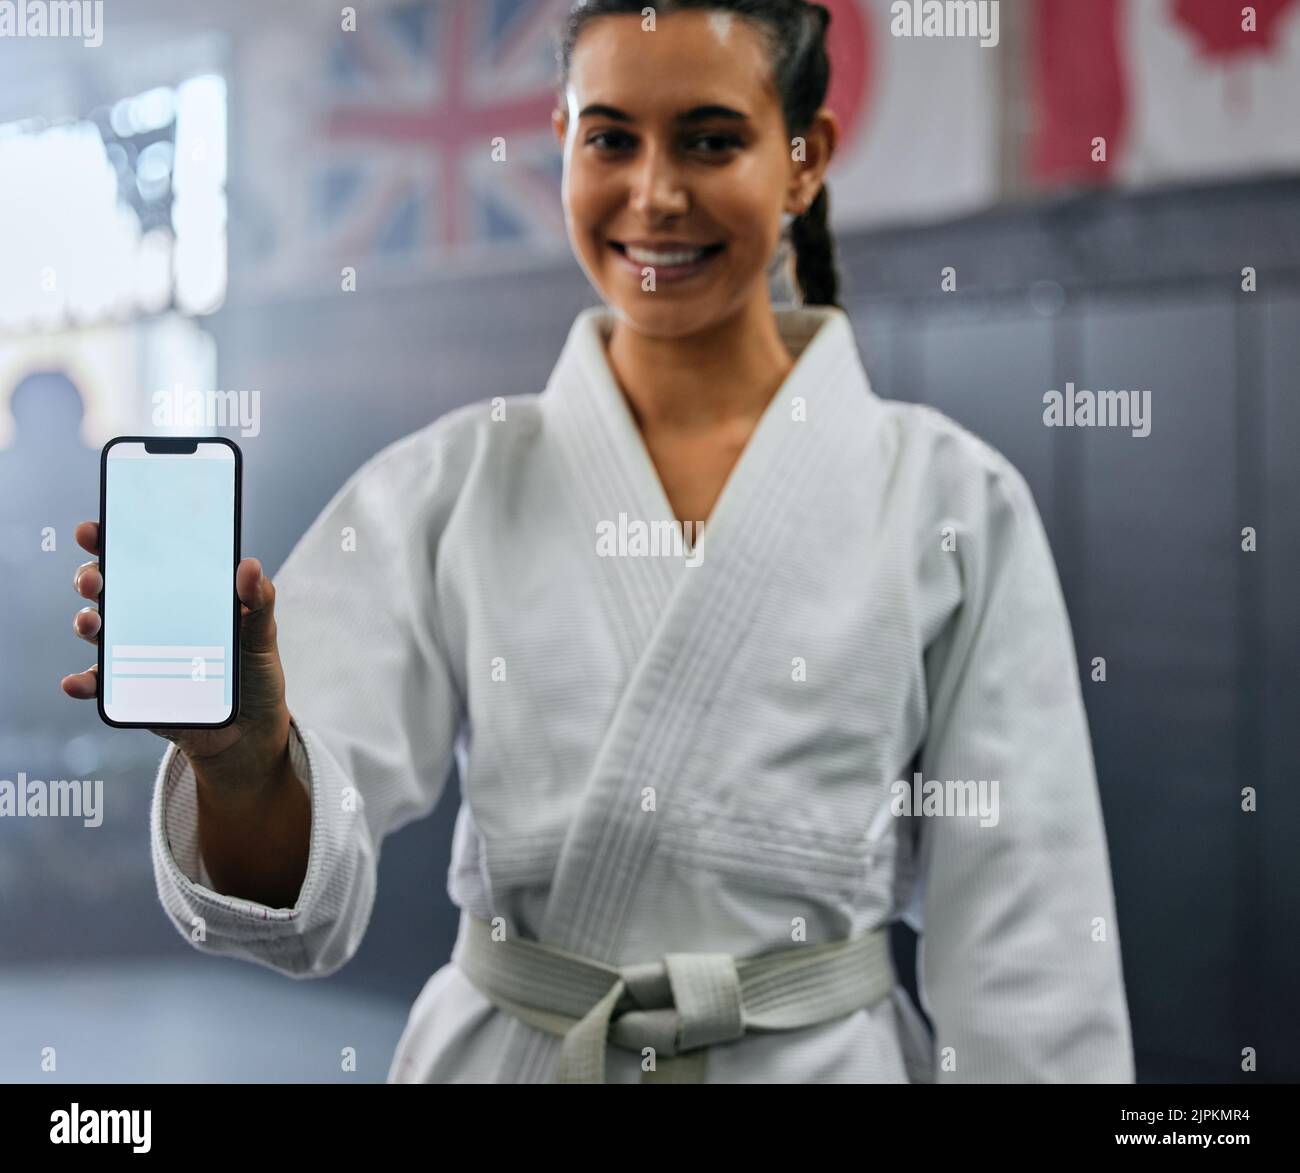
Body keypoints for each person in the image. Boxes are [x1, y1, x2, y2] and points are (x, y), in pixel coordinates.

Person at [62, 0, 1134, 1083]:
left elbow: (1028, 950)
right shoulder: (452, 482)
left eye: (711, 140)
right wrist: (245, 762)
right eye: (609, 138)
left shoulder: (949, 498)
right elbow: (291, 899)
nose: (655, 194)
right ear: (563, 145)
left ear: (805, 160)